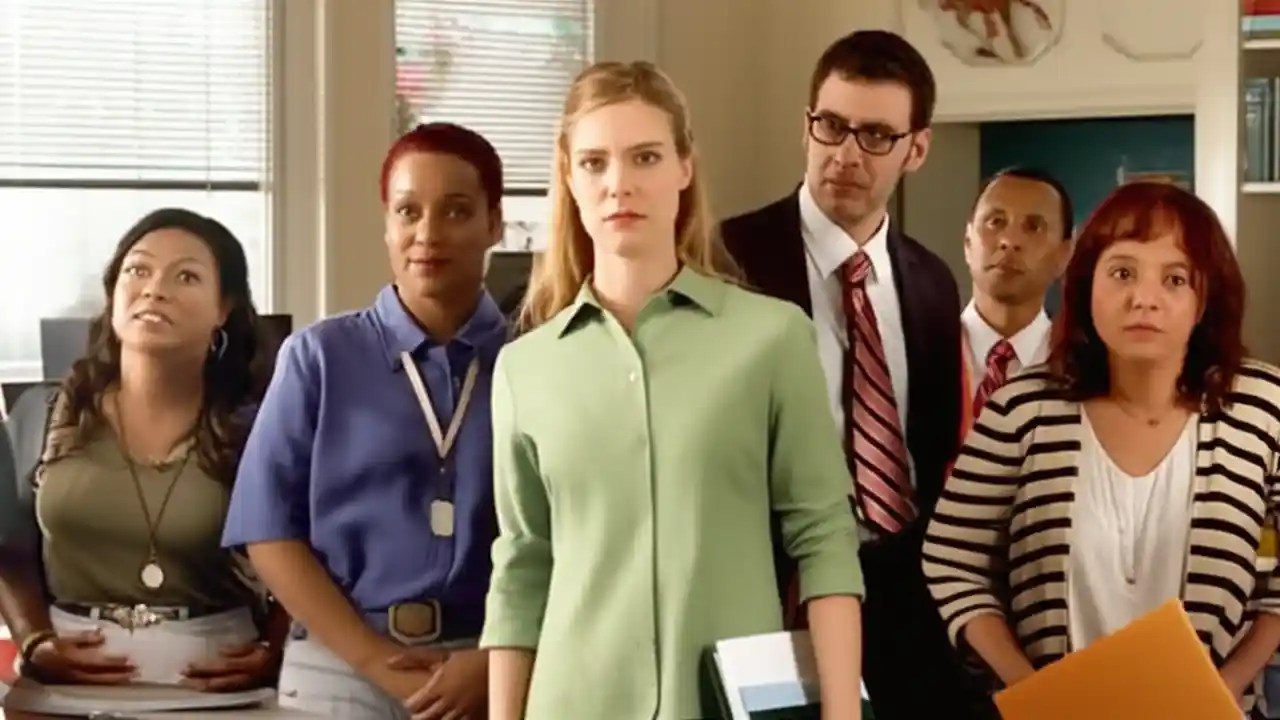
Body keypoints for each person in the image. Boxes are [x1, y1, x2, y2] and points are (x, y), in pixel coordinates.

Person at [480, 60, 865, 720]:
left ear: (684, 167)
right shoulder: (524, 369)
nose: (619, 184)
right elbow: (521, 568)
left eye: (646, 157)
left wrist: (842, 713)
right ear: (569, 177)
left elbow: (825, 539)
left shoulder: (772, 339)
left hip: (726, 702)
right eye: (595, 163)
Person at [923, 182, 1280, 717]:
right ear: (1087, 285)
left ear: (1205, 298)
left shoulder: (1262, 407)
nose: (1144, 299)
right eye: (1122, 273)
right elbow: (952, 558)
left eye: (1175, 279)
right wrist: (1028, 688)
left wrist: (1229, 683)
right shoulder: (1023, 408)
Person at [720, 29, 990, 719]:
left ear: (916, 149)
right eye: (831, 126)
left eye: (875, 136)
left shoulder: (931, 281)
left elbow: (930, 450)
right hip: (772, 583)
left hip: (902, 583)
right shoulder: (726, 260)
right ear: (806, 125)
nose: (845, 154)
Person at [222, 122, 508, 719]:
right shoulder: (318, 357)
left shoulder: (533, 360)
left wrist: (497, 659)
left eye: (457, 211)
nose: (427, 233)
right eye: (408, 211)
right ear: (387, 225)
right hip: (339, 665)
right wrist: (377, 662)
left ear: (495, 224)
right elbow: (267, 533)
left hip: (488, 667)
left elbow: (570, 539)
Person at [0, 208, 282, 690]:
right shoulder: (41, 415)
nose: (154, 289)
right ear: (113, 293)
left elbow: (319, 555)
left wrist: (276, 651)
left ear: (224, 308)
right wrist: (34, 641)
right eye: (138, 270)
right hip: (65, 687)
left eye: (186, 276)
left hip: (215, 684)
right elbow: (8, 549)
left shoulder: (259, 426)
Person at [958, 166, 1074, 439]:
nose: (1009, 241)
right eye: (995, 222)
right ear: (967, 242)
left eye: (1034, 227)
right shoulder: (914, 352)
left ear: (1065, 254)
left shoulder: (1080, 372)